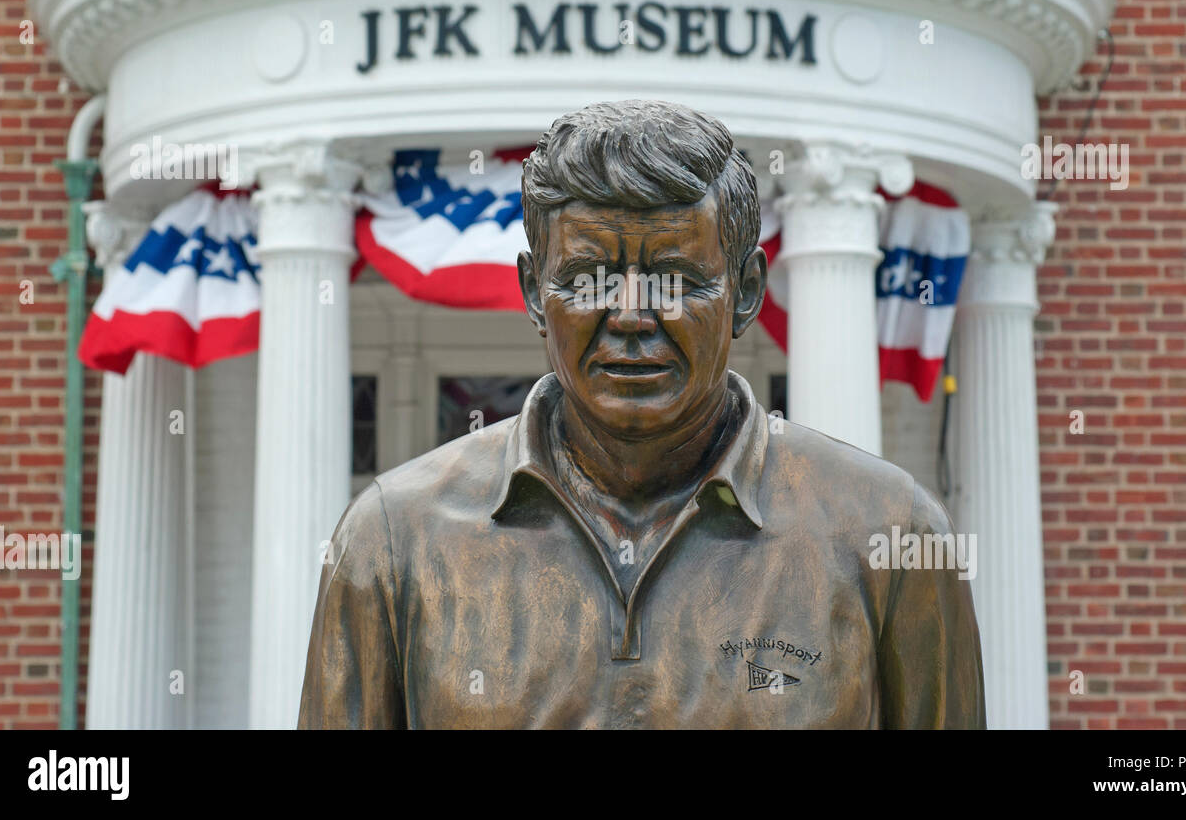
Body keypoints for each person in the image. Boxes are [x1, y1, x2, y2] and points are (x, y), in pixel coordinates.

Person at [298, 99, 985, 728]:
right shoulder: (391, 542)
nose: (630, 315)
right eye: (588, 277)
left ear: (745, 291)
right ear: (536, 292)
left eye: (679, 279)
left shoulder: (892, 535)